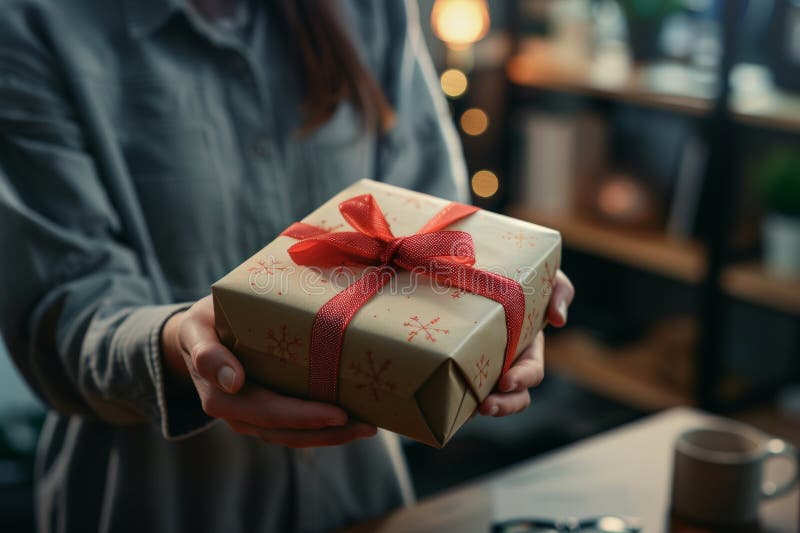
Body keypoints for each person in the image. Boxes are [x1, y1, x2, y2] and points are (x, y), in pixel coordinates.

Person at [0, 0, 575, 531]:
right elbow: (63, 313)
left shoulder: (369, 9)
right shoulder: (36, 22)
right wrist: (182, 345)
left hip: (361, 500)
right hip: (150, 501)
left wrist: (500, 306)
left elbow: (437, 221)